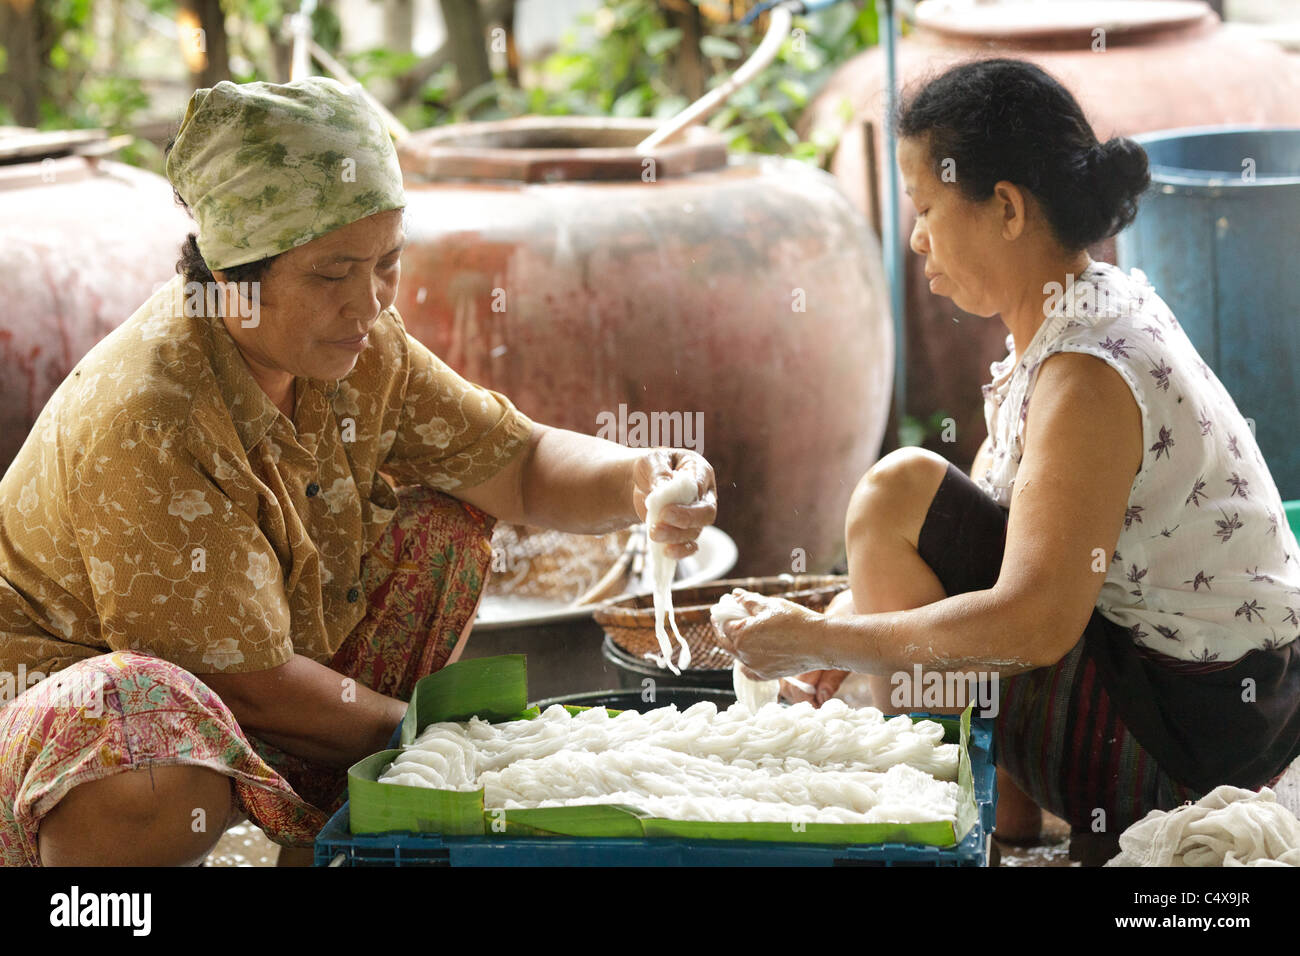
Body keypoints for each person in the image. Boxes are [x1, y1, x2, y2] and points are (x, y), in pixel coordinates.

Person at [0, 77, 716, 866]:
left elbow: (517, 463)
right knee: (145, 729)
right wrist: (457, 742)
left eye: (387, 264)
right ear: (236, 275)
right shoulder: (151, 412)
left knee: (442, 531)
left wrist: (636, 479)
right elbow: (246, 684)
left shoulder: (360, 347)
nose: (369, 302)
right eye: (332, 273)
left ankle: (334, 837)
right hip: (63, 729)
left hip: (242, 690)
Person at [718, 58, 1300, 855]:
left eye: (925, 206)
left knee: (895, 495)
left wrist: (823, 644)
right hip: (1210, 704)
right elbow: (1004, 524)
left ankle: (963, 830)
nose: (917, 235)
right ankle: (1007, 824)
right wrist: (847, 615)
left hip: (1195, 750)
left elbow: (1034, 622)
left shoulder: (1089, 375)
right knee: (911, 505)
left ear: (1006, 209)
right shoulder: (1079, 311)